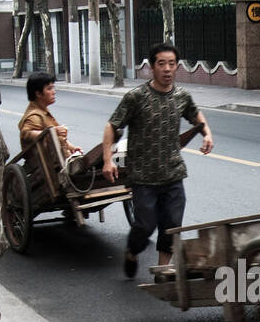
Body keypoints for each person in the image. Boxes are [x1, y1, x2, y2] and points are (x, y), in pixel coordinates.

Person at [101, 43, 213, 278]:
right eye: (161, 64)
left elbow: (196, 115)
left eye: (172, 64)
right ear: (152, 67)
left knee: (172, 226)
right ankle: (132, 251)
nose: (167, 69)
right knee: (145, 225)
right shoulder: (136, 97)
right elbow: (112, 125)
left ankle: (162, 269)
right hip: (143, 177)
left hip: (173, 173)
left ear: (177, 67)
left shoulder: (182, 96)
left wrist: (207, 134)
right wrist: (108, 160)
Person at [18, 72, 81, 160]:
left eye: (53, 88)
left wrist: (72, 148)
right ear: (38, 94)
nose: (54, 92)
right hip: (43, 160)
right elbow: (26, 133)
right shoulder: (34, 116)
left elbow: (59, 139)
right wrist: (52, 131)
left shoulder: (43, 111)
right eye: (49, 89)